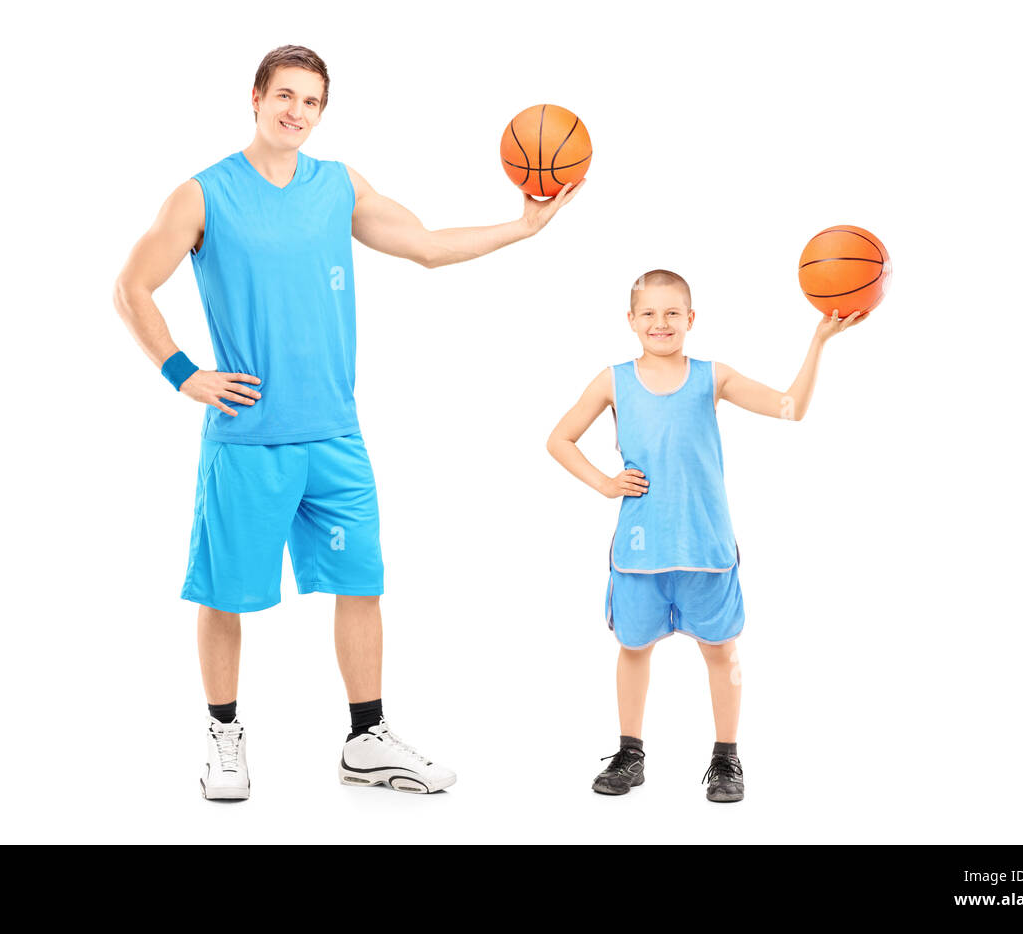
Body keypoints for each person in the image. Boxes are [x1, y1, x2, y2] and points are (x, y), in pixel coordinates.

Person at [113, 45, 583, 800]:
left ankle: (366, 740)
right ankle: (224, 736)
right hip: (249, 438)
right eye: (286, 96)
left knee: (360, 583)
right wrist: (183, 374)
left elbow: (427, 247)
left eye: (312, 102)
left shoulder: (338, 186)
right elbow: (132, 286)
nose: (297, 112)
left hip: (335, 434)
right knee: (227, 594)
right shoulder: (202, 196)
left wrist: (522, 229)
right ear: (257, 97)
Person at [545, 269, 867, 800]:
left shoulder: (712, 377)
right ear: (631, 320)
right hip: (640, 551)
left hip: (706, 548)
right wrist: (604, 483)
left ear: (691, 319)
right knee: (633, 648)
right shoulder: (613, 380)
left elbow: (792, 407)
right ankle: (629, 753)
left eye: (672, 312)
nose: (660, 322)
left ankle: (726, 759)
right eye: (648, 313)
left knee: (721, 651)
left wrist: (819, 340)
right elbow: (559, 439)